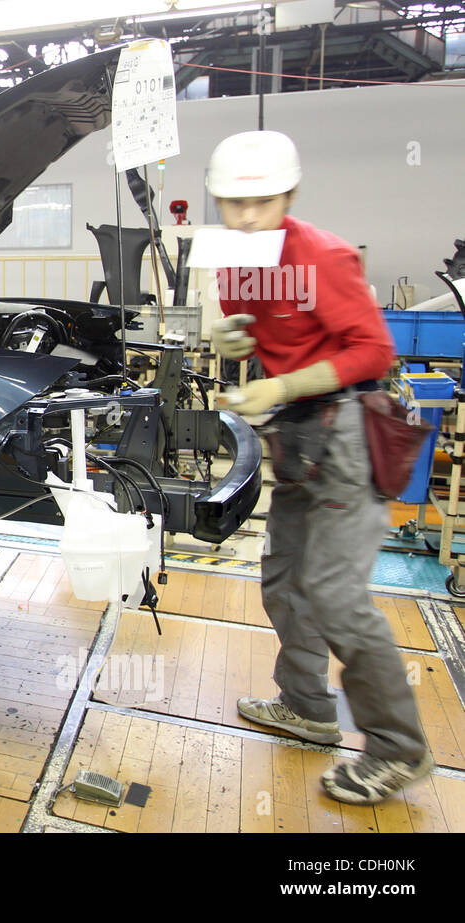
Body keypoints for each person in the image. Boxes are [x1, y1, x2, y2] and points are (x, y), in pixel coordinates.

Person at [207, 130, 431, 805]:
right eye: (233, 204)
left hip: (348, 432)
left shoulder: (324, 256)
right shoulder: (240, 258)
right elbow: (262, 325)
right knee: (284, 578)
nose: (247, 217)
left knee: (335, 593)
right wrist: (235, 337)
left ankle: (398, 748)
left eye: (263, 202)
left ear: (290, 195)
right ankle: (307, 706)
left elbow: (373, 350)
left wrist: (279, 385)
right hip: (301, 437)